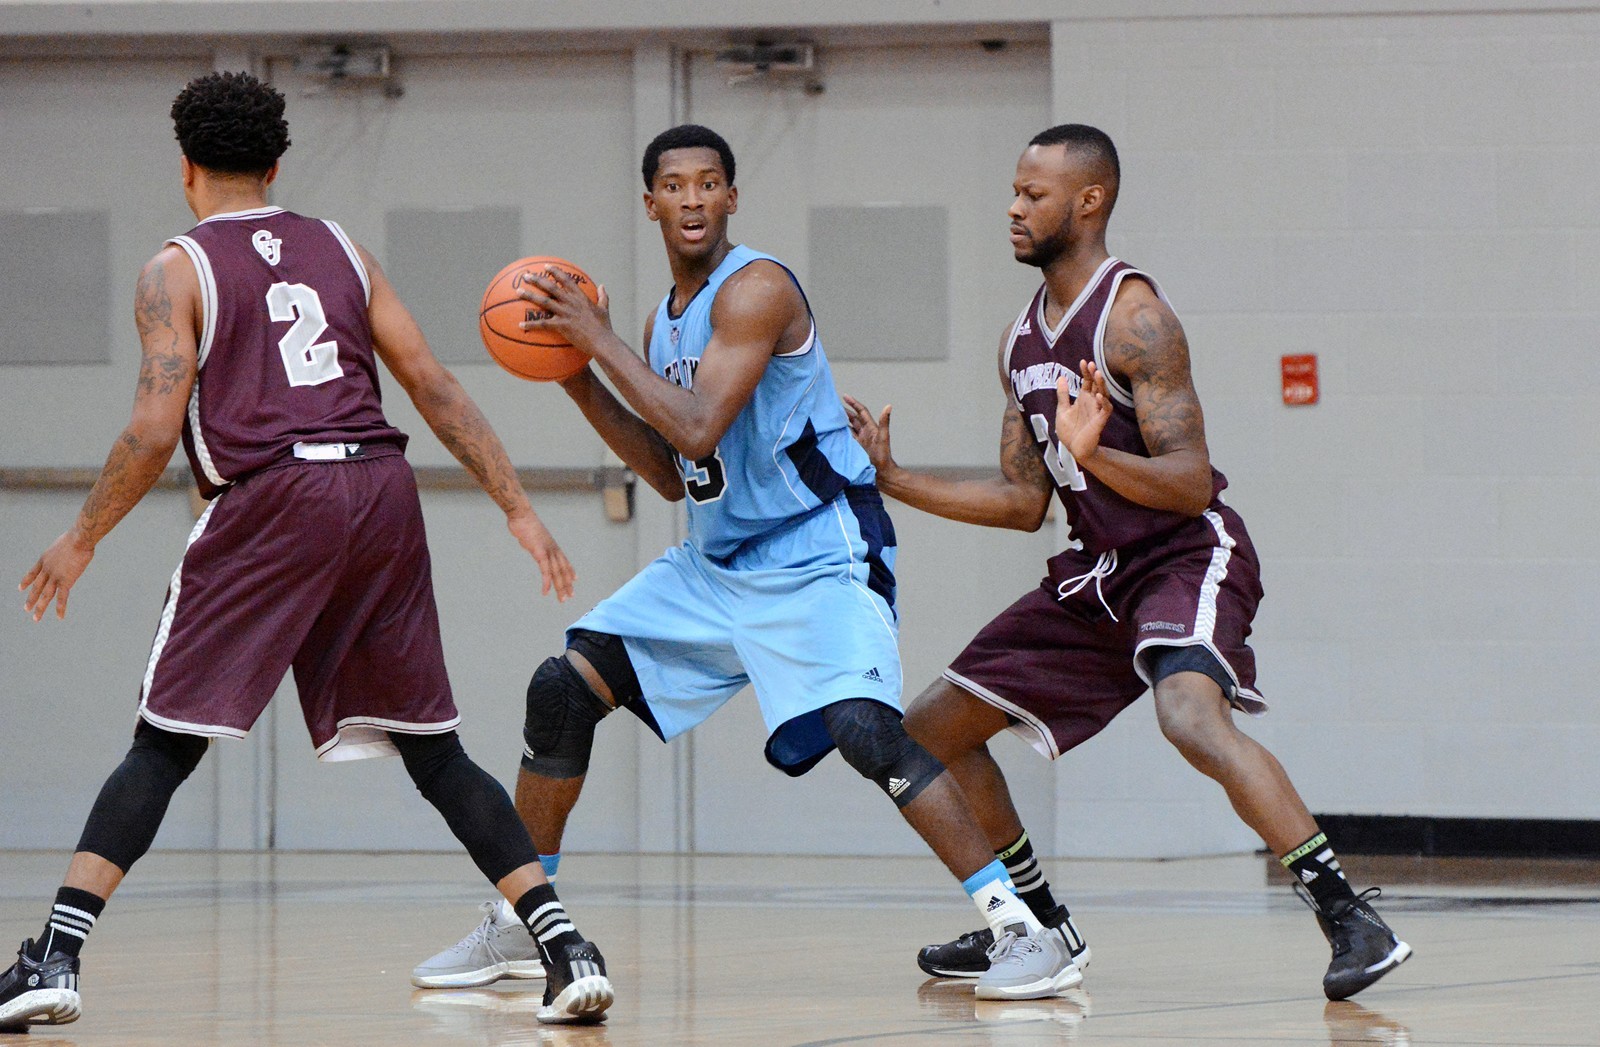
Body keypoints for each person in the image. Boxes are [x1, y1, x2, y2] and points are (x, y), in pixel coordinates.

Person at [410, 124, 1085, 1003]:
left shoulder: (757, 289)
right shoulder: (664, 321)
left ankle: (1022, 929)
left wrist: (597, 338)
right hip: (716, 561)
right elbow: (668, 467)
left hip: (818, 547)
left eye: (709, 184)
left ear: (732, 198)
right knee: (560, 687)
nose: (692, 199)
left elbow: (697, 424)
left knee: (868, 730)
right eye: (674, 186)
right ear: (648, 202)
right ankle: (518, 915)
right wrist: (577, 371)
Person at [1, 71, 612, 1030]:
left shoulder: (176, 268)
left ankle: (55, 956)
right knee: (433, 748)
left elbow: (158, 425)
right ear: (277, 163)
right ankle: (564, 945)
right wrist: (518, 507)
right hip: (379, 488)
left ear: (186, 167)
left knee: (165, 741)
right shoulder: (343, 249)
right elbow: (435, 385)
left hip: (275, 494)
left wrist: (81, 537)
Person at [841, 123, 1412, 1002]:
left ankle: (1349, 915)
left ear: (1089, 200)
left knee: (1188, 716)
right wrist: (893, 478)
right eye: (1015, 190)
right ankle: (1036, 926)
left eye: (1033, 194)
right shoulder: (1018, 341)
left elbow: (1188, 483)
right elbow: (1023, 501)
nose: (1013, 207)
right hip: (1098, 569)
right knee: (929, 732)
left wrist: (1096, 453)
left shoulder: (1136, 318)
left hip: (1185, 551)